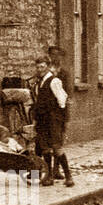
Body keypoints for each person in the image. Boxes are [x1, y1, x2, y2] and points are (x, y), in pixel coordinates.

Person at [31, 55, 72, 186]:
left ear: (48, 67)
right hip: (42, 119)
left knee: (56, 147)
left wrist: (59, 120)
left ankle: (68, 176)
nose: (39, 69)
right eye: (37, 67)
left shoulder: (54, 81)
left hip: (53, 120)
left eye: (42, 67)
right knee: (45, 149)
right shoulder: (39, 82)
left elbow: (62, 100)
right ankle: (49, 177)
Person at [47, 45, 72, 178]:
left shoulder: (64, 74)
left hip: (59, 113)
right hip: (48, 112)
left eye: (57, 55)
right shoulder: (46, 72)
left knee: (58, 142)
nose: (54, 57)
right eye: (52, 55)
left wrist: (66, 116)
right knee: (47, 142)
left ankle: (56, 170)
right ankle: (49, 170)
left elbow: (68, 94)